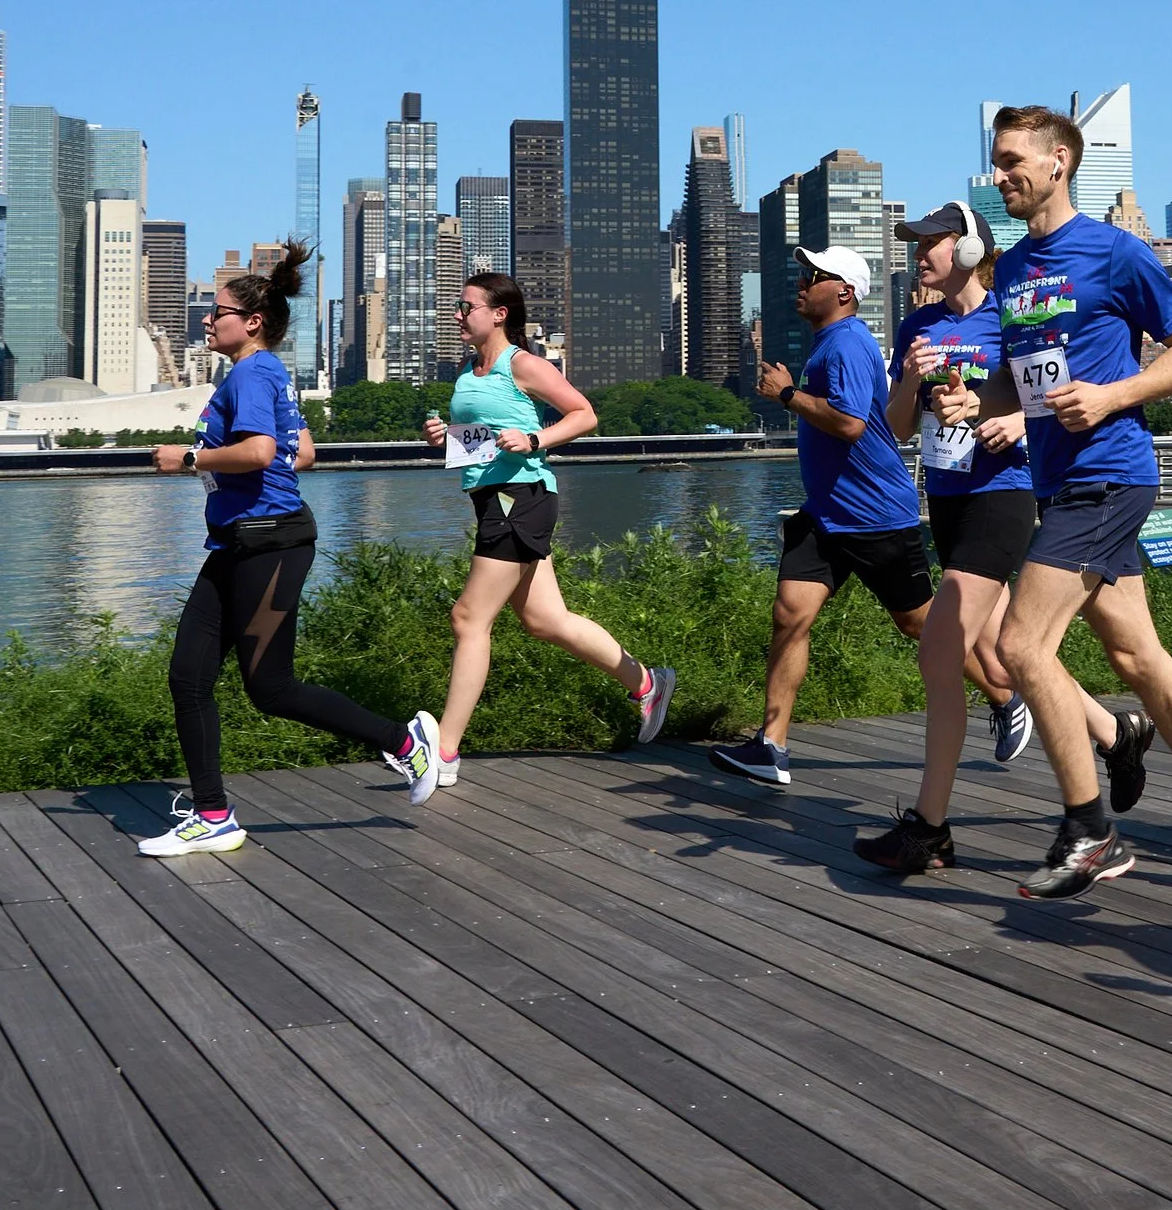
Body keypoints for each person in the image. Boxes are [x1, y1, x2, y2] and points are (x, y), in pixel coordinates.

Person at [942, 105, 1172, 901]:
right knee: (1136, 656)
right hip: (1057, 478)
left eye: (1012, 161)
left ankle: (1089, 830)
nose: (1000, 177)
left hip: (1109, 471)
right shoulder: (1016, 270)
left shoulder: (1116, 253)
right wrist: (981, 401)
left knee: (1021, 650)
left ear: (1060, 161)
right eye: (995, 162)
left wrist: (1113, 395)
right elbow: (1029, 379)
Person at [856, 201, 1154, 875]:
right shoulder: (918, 325)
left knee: (939, 651)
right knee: (999, 654)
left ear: (968, 248)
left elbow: (1044, 396)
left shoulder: (1009, 316)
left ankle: (929, 828)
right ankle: (1116, 734)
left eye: (932, 241)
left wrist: (1015, 423)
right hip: (949, 500)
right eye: (916, 243)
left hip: (1003, 495)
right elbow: (898, 428)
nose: (919, 253)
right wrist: (909, 377)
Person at [139, 241, 440, 856]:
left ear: (250, 322)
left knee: (269, 688)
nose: (205, 318)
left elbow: (259, 453)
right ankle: (213, 814)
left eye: (215, 311)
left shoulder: (252, 372)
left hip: (270, 545)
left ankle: (405, 743)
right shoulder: (271, 372)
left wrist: (187, 458)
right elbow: (302, 452)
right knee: (188, 677)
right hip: (237, 544)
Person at [415, 272, 675, 791]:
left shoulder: (524, 365)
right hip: (494, 497)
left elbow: (584, 415)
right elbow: (483, 444)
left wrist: (536, 437)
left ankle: (443, 751)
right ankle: (647, 682)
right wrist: (443, 440)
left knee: (468, 618)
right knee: (545, 619)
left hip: (521, 499)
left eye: (467, 307)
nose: (458, 315)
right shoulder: (470, 371)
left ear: (498, 314)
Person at [711, 245, 943, 785]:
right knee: (790, 614)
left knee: (919, 625)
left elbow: (850, 424)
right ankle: (772, 746)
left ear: (843, 291)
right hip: (827, 515)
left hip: (875, 515)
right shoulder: (831, 342)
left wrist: (788, 393)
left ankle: (1007, 695)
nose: (800, 282)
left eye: (811, 275)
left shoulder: (847, 343)